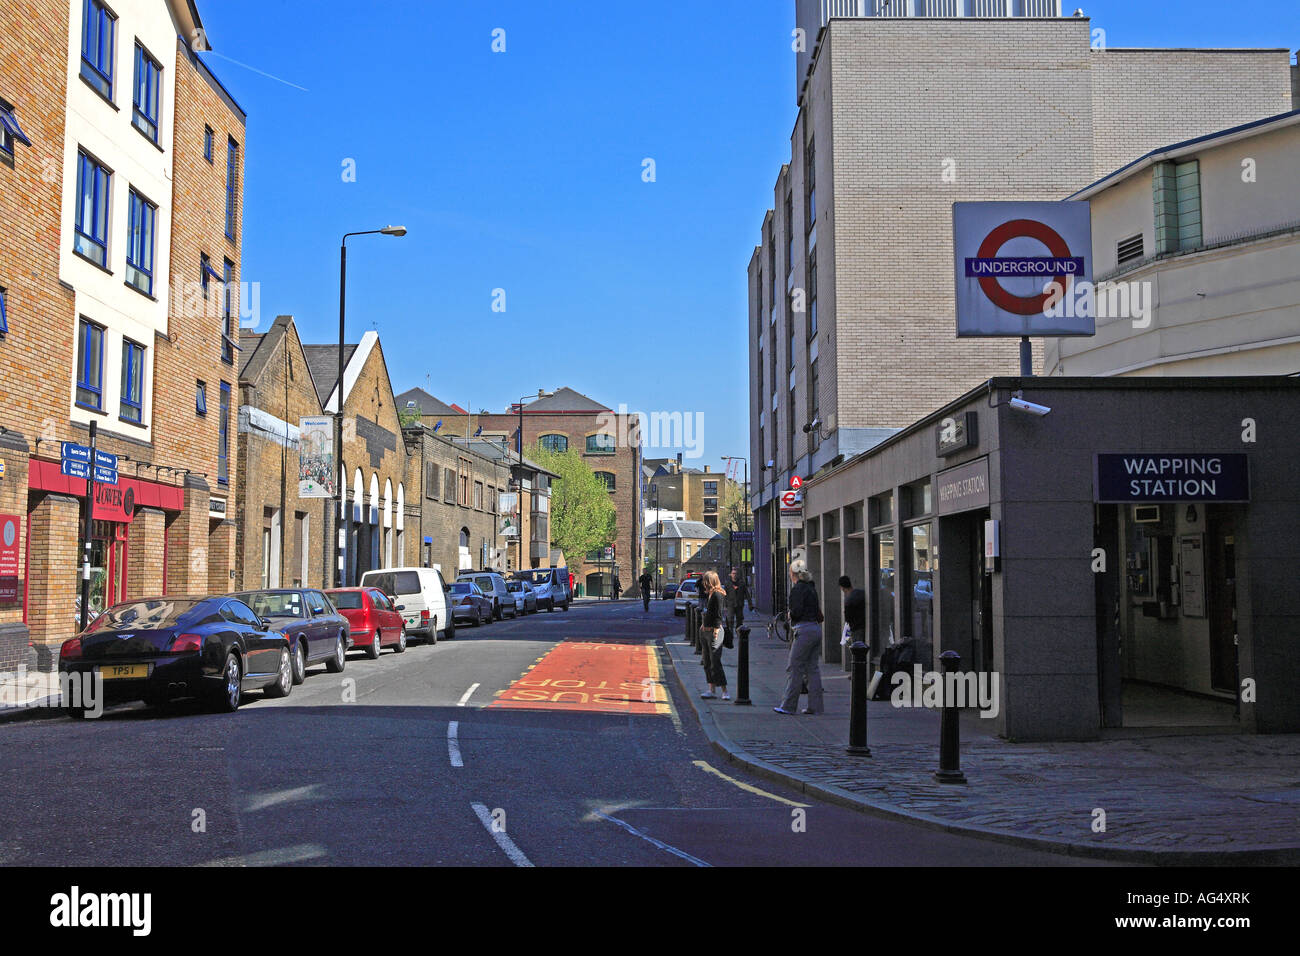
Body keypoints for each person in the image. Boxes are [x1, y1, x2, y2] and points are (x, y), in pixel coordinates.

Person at [775, 558, 824, 715]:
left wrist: (790, 614)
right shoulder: (811, 588)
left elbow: (796, 611)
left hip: (803, 630)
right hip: (815, 629)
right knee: (812, 669)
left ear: (792, 573)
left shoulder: (797, 589)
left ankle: (788, 706)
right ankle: (815, 707)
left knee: (794, 667)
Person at [698, 570, 730, 701]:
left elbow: (718, 614)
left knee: (715, 662)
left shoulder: (717, 594)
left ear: (710, 581)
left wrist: (716, 630)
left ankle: (724, 691)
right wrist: (703, 625)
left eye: (705, 581)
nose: (703, 583)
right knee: (707, 661)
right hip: (705, 631)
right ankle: (711, 689)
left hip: (714, 632)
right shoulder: (710, 594)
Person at [839, 575, 866, 648]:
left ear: (842, 588)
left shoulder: (848, 600)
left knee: (857, 651)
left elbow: (848, 618)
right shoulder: (862, 593)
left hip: (856, 629)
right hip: (865, 626)